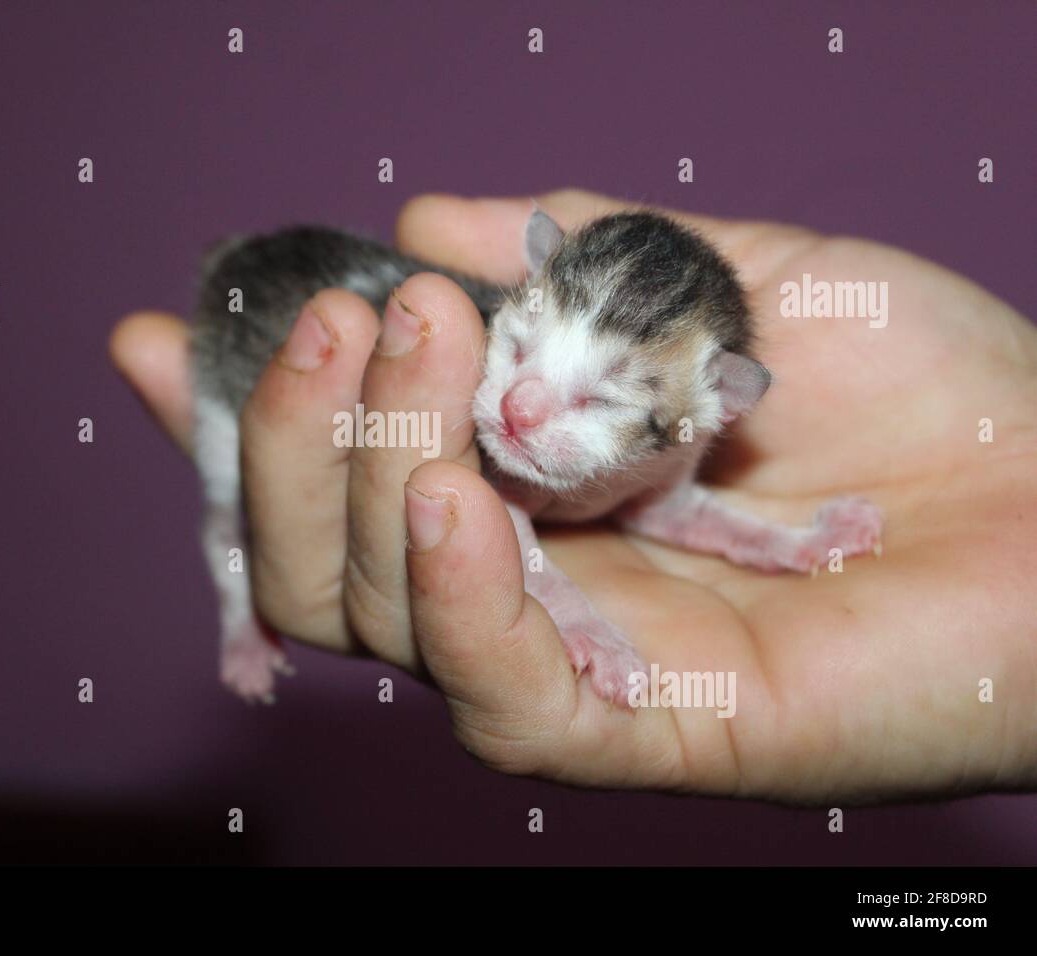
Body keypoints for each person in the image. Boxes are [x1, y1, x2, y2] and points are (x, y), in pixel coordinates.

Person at [109, 189, 1037, 803]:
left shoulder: (685, 429)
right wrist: (585, 624)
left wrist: (797, 541)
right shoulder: (499, 373)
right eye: (518, 344)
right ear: (529, 274)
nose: (517, 406)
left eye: (600, 397)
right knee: (239, 493)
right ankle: (237, 610)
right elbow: (505, 512)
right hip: (253, 328)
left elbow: (665, 506)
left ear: (718, 405)